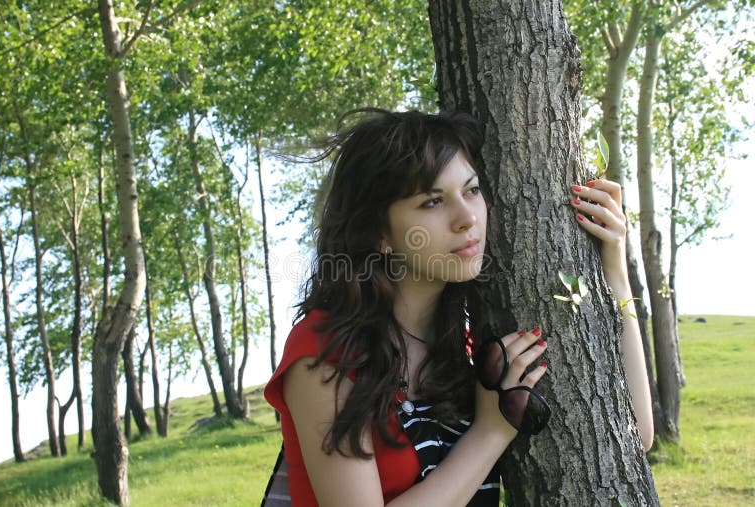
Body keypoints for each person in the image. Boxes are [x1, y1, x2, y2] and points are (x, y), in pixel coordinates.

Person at [263, 108, 653, 506]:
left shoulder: (469, 348)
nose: (467, 218)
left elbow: (631, 431)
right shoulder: (326, 350)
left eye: (471, 190)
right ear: (379, 233)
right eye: (432, 202)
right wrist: (491, 432)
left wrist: (615, 273)